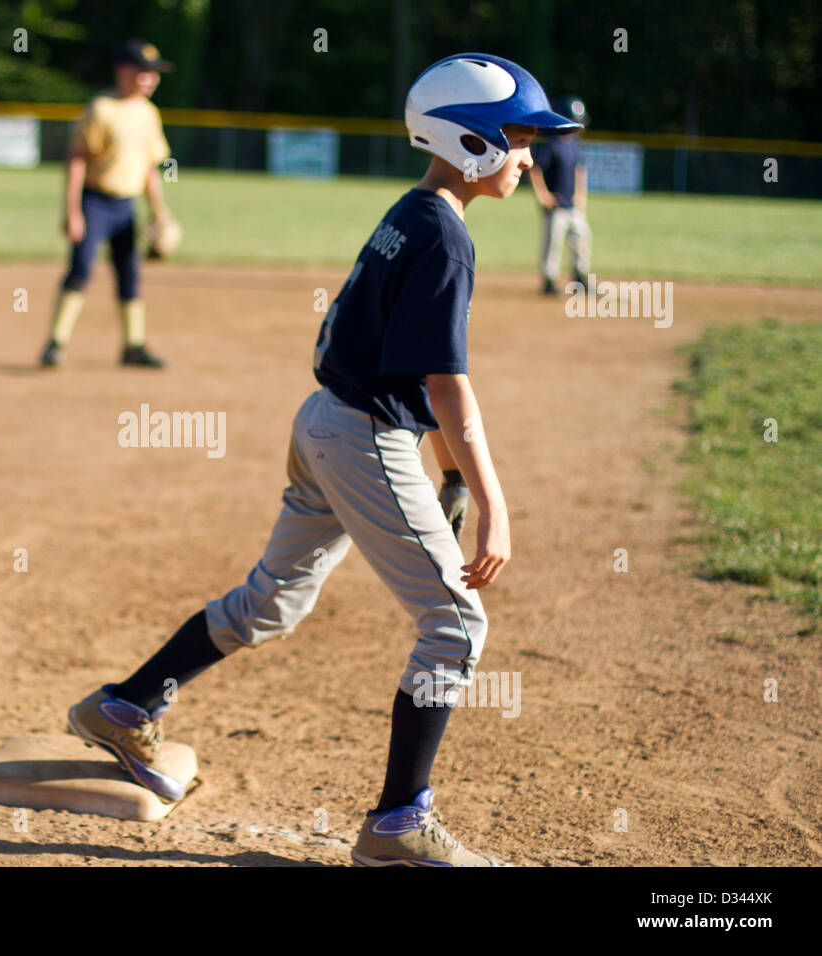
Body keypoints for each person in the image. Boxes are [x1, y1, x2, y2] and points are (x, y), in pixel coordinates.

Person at [65, 54, 581, 866]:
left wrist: (446, 475)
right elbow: (447, 386)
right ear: (471, 140)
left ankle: (125, 708)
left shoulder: (412, 213)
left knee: (270, 603)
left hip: (325, 426)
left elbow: (410, 367)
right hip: (363, 440)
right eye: (519, 139)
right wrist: (491, 501)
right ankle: (399, 825)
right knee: (454, 627)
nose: (530, 157)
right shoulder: (445, 237)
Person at [39, 39, 175, 370]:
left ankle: (133, 345)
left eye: (154, 74)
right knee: (82, 268)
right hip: (95, 202)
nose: (150, 80)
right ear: (123, 71)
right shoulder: (101, 108)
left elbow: (149, 169)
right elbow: (76, 160)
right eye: (143, 73)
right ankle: (56, 343)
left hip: (126, 206)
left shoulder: (147, 113)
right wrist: (72, 211)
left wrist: (160, 212)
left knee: (130, 272)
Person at [529, 96, 591, 294]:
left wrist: (581, 194)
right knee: (552, 244)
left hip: (572, 205)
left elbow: (580, 170)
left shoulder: (575, 144)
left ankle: (580, 278)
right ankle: (549, 281)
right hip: (555, 206)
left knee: (582, 238)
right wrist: (543, 195)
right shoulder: (552, 144)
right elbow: (536, 170)